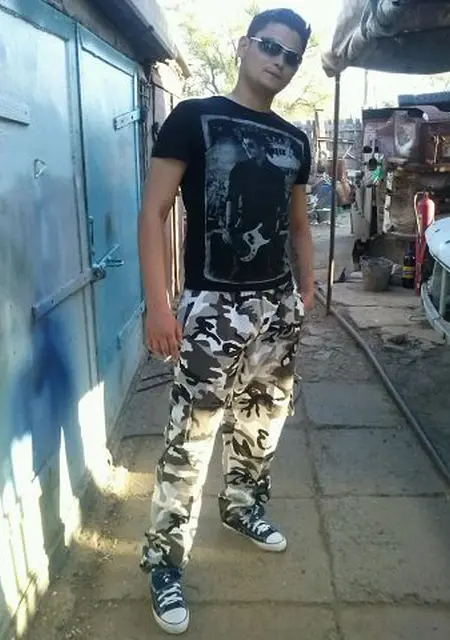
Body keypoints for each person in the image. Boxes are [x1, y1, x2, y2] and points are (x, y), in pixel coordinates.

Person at [138, 8, 314, 635]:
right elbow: (154, 211)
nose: (279, 61)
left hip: (277, 308)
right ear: (244, 46)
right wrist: (160, 304)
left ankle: (241, 508)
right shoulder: (193, 118)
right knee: (190, 439)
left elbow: (299, 222)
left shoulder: (295, 140)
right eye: (270, 46)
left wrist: (306, 290)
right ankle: (164, 564)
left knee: (262, 425)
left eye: (292, 56)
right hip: (212, 309)